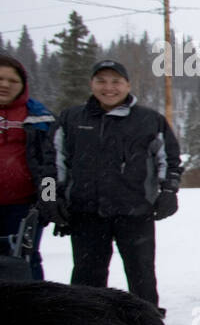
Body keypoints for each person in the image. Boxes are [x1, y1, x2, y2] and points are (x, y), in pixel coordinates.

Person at [54, 59, 181, 310]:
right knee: (87, 273)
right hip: (86, 212)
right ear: (91, 84)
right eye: (101, 81)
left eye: (116, 81)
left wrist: (169, 190)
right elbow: (53, 162)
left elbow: (170, 159)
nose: (108, 88)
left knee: (141, 272)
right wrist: (50, 197)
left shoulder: (149, 119)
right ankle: (86, 321)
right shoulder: (71, 118)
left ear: (127, 85)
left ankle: (147, 319)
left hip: (135, 211)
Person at [0, 54, 56, 279]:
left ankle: (34, 311)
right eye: (0, 79)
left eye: (12, 80)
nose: (5, 84)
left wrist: (49, 200)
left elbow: (51, 166)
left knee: (25, 260)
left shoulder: (40, 117)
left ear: (23, 85)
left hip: (24, 207)